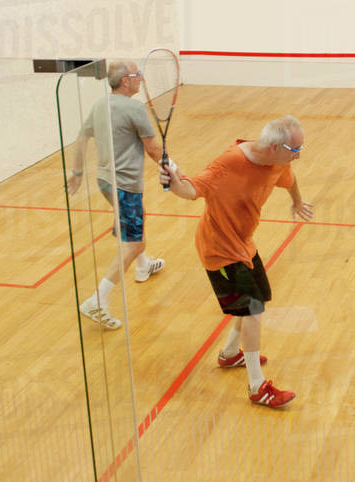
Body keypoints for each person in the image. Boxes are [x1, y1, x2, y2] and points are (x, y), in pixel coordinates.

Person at [159, 114, 314, 409]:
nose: (298, 157)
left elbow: (290, 181)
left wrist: (296, 201)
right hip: (219, 249)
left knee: (257, 302)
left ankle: (230, 354)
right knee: (253, 310)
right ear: (274, 148)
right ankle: (257, 387)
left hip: (243, 243)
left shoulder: (278, 163)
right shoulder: (228, 164)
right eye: (296, 151)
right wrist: (173, 181)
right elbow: (192, 190)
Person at [67, 60, 166, 330]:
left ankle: (143, 267)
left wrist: (77, 172)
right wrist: (173, 169)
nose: (141, 78)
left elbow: (81, 137)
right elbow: (153, 149)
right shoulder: (135, 107)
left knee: (137, 224)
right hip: (125, 185)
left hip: (105, 182)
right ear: (126, 81)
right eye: (138, 75)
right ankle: (97, 299)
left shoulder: (100, 104)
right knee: (134, 243)